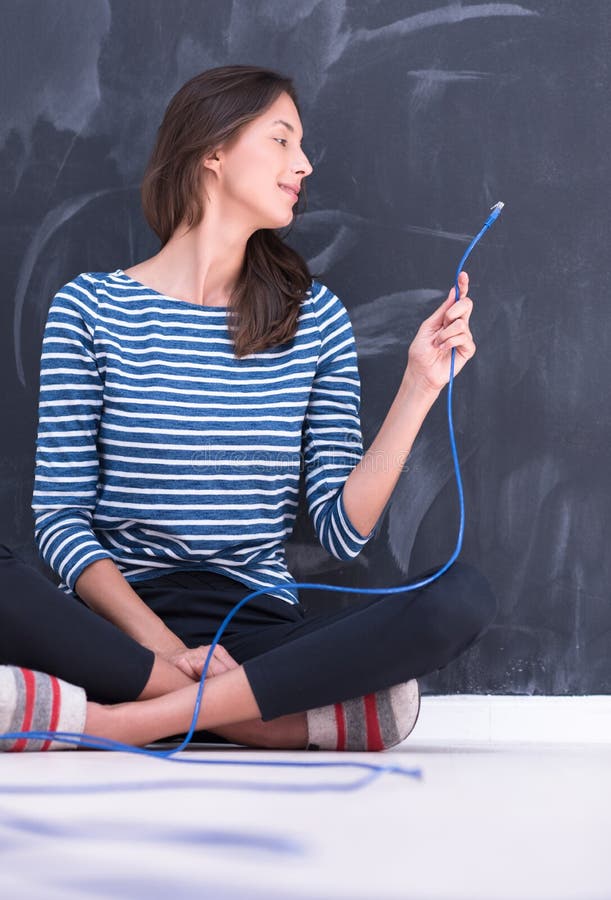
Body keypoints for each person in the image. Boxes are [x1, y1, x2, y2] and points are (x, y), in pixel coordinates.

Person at [1, 65, 497, 753]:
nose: (304, 164)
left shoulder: (315, 320)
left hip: (259, 630)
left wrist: (419, 386)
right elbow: (59, 521)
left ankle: (113, 722)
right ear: (213, 149)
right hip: (120, 627)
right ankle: (267, 719)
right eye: (282, 139)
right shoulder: (90, 309)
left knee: (460, 598)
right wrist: (168, 651)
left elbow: (343, 533)